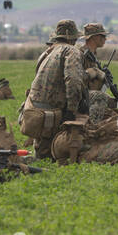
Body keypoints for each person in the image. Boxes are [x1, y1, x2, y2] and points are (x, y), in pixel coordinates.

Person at [21, 23, 88, 159]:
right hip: (52, 113)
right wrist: (71, 110)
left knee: (41, 154)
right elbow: (73, 81)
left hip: (34, 111)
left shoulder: (47, 52)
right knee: (53, 156)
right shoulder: (71, 51)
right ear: (71, 38)